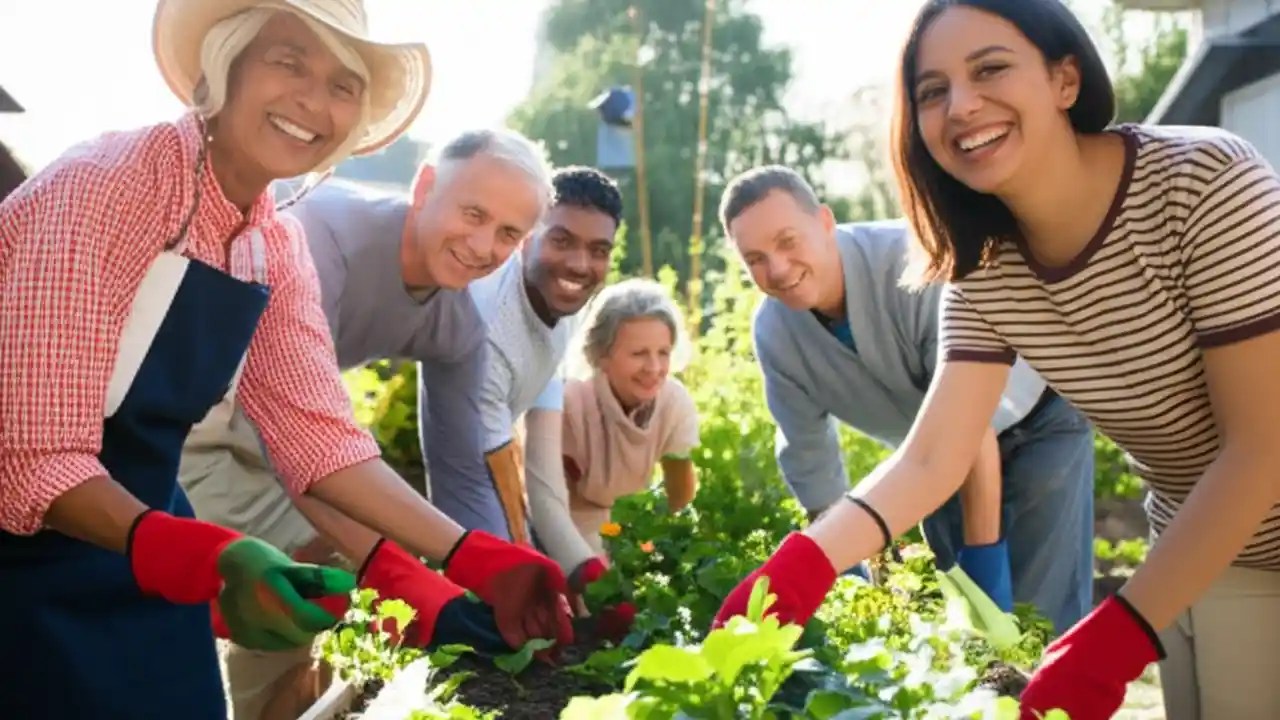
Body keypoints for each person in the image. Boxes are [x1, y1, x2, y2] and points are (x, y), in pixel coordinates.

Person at [0, 3, 569, 719]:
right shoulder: (108, 187)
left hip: (147, 542)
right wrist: (204, 557)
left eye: (343, 85)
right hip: (25, 554)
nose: (313, 101)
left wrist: (473, 557)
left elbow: (320, 442)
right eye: (289, 61)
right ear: (227, 63)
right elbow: (32, 460)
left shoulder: (272, 243)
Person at [714, 1, 1280, 718]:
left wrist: (1115, 637)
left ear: (1065, 78)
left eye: (990, 69)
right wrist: (804, 566)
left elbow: (1262, 447)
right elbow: (931, 460)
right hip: (1194, 542)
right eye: (932, 91)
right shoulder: (984, 270)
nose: (961, 106)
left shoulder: (1204, 183)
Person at [177, 128, 553, 720]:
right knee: (288, 583)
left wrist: (496, 578)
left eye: (508, 233)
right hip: (195, 427)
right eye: (473, 213)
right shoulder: (321, 237)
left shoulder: (457, 325)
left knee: (333, 586)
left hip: (289, 440)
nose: (483, 245)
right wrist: (402, 573)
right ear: (425, 186)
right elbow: (295, 437)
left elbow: (458, 473)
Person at [719, 166, 1095, 633]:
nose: (775, 269)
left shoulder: (912, 264)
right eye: (754, 258)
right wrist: (839, 571)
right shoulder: (776, 333)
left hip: (1036, 420)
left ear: (825, 221)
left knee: (1039, 610)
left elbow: (968, 418)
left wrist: (984, 558)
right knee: (963, 629)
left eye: (788, 241)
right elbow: (810, 457)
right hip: (926, 459)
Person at [435, 164, 618, 560]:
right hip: (454, 456)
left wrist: (583, 571)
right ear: (526, 238)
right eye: (562, 240)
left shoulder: (565, 305)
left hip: (481, 450)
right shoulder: (487, 330)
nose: (580, 264)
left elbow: (543, 477)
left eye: (598, 250)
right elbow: (494, 479)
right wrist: (534, 569)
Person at [530, 278, 701, 636]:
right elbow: (551, 506)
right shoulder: (570, 404)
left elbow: (679, 497)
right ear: (601, 355)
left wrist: (657, 550)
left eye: (663, 353)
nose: (654, 367)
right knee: (586, 618)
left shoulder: (674, 402)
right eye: (639, 354)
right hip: (562, 524)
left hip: (624, 526)